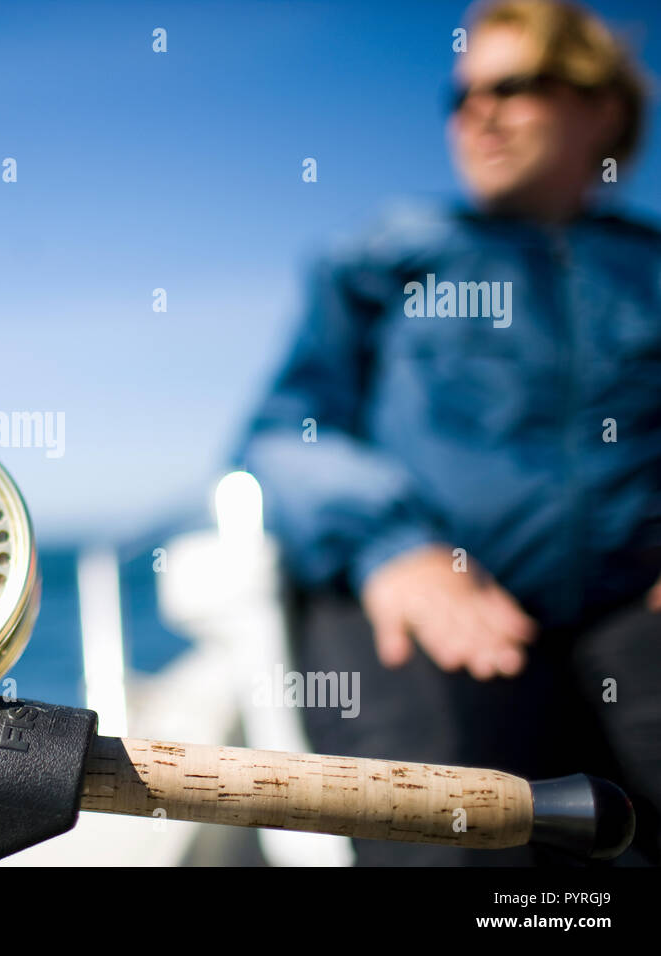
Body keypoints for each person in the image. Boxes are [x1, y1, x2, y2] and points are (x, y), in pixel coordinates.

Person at [236, 0, 660, 865]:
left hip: (624, 607)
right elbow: (286, 431)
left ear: (601, 109)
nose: (477, 113)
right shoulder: (389, 254)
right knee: (454, 820)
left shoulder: (648, 268)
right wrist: (394, 546)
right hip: (423, 591)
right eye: (459, 96)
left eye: (514, 86)